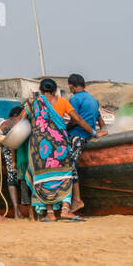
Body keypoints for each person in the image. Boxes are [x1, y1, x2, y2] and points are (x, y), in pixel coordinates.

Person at [21, 78, 77, 221]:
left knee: (43, 179)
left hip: (40, 148)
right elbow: (76, 119)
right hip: (60, 146)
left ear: (40, 91)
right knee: (64, 176)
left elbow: (20, 120)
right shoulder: (63, 102)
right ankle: (65, 210)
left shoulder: (33, 103)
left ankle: (50, 213)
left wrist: (6, 133)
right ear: (54, 90)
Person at [64, 73, 106, 215]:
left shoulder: (75, 99)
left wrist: (65, 128)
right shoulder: (93, 100)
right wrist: (102, 131)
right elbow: (100, 119)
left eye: (70, 87)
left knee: (70, 165)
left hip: (77, 135)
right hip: (88, 136)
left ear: (71, 86)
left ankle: (76, 199)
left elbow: (75, 119)